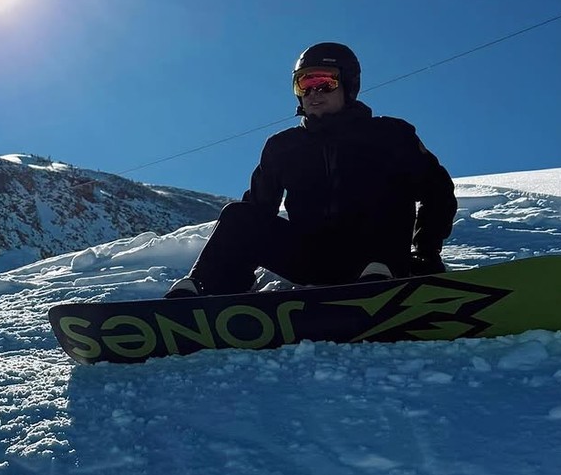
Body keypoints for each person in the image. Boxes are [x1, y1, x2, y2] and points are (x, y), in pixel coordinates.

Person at [165, 42, 456, 298]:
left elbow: (437, 191)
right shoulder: (283, 146)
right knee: (238, 215)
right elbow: (258, 208)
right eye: (304, 84)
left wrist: (426, 254)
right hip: (313, 258)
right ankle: (205, 293)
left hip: (379, 259)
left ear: (349, 85)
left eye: (325, 82)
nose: (314, 92)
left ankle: (380, 280)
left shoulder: (390, 134)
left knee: (391, 190)